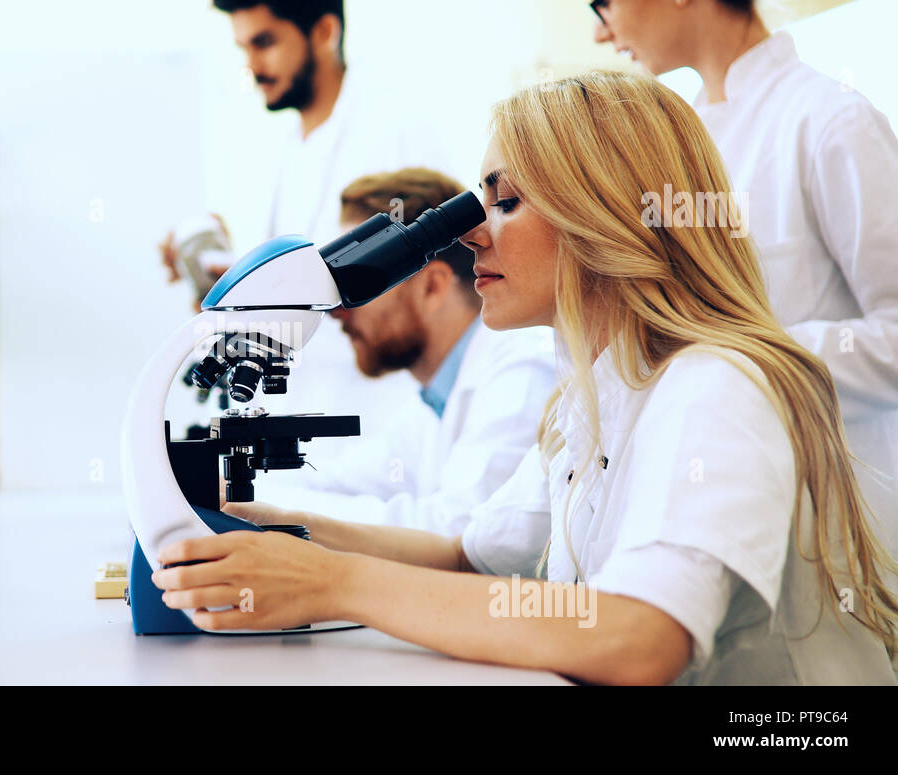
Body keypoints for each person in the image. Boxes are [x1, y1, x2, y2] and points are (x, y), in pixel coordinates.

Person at [152, 71, 898, 685]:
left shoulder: (716, 386)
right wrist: (276, 532)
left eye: (504, 202)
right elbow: (468, 554)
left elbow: (643, 636)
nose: (473, 232)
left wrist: (333, 583)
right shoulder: (590, 395)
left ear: (606, 215)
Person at [592, 0, 898, 553]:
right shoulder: (673, 149)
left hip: (839, 521)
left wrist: (737, 356)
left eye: (602, 4)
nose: (598, 30)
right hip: (711, 517)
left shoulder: (830, 121)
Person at [160, 0, 457, 447]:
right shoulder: (283, 146)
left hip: (379, 414)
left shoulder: (397, 131)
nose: (253, 67)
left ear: (323, 31)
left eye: (265, 43)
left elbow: (424, 280)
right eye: (244, 48)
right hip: (299, 406)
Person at [253, 168, 556, 535]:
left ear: (432, 287)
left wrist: (258, 511)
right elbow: (333, 483)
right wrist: (224, 492)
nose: (335, 310)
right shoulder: (431, 403)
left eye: (354, 282)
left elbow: (460, 533)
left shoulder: (521, 371)